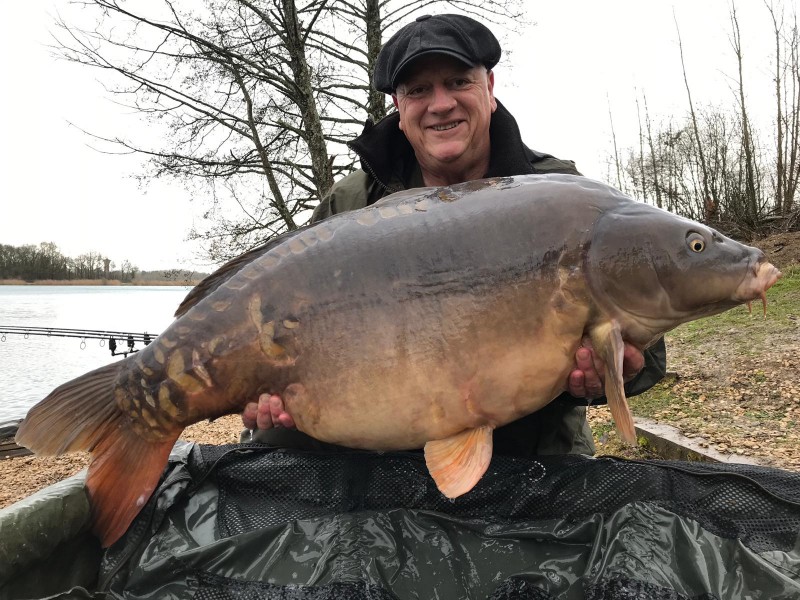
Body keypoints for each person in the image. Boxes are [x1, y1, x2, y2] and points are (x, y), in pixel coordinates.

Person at [240, 13, 667, 456]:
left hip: (532, 458)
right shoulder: (352, 203)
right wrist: (261, 392)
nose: (440, 104)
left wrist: (621, 370)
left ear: (490, 88)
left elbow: (648, 339)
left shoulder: (561, 197)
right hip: (377, 458)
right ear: (398, 109)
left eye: (458, 81)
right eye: (419, 90)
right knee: (273, 435)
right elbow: (277, 318)